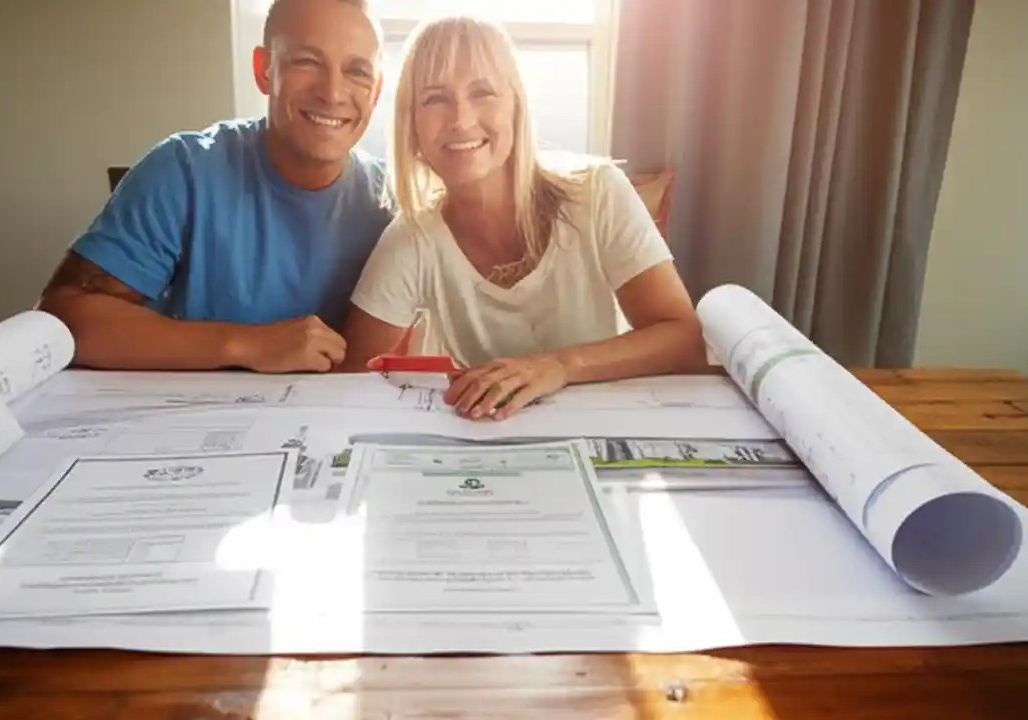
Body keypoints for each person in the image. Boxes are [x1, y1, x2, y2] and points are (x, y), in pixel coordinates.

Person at [342, 15, 707, 420]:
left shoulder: (599, 191)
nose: (461, 119)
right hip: (486, 445)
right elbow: (351, 377)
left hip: (600, 432)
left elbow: (683, 339)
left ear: (516, 106)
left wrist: (558, 366)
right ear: (411, 125)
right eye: (435, 99)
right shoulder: (413, 236)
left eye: (482, 92)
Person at [37, 0, 393, 373]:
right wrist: (246, 344)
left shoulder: (395, 204)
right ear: (264, 69)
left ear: (377, 89)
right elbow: (61, 317)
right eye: (307, 61)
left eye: (357, 71)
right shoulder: (183, 170)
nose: (333, 93)